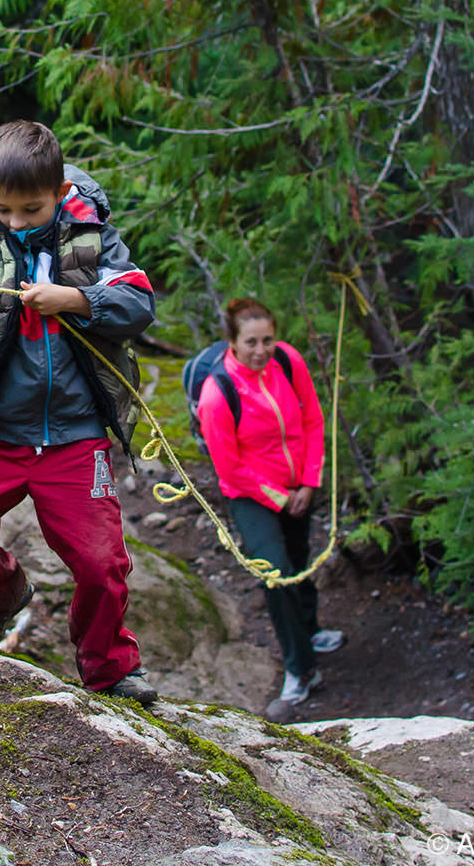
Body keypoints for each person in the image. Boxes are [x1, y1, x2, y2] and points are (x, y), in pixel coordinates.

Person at [0, 119, 160, 705]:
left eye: (32, 209)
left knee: (100, 562)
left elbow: (138, 302)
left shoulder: (95, 238)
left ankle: (110, 667)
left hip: (73, 436)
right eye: (5, 209)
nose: (17, 220)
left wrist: (77, 299)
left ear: (59, 192)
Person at [195, 298, 344, 708]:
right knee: (276, 573)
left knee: (298, 558)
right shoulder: (217, 394)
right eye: (251, 343)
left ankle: (309, 628)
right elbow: (229, 468)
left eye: (268, 340)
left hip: (299, 483)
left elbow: (313, 419)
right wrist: (281, 497)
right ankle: (300, 668)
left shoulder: (289, 362)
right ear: (232, 342)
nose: (261, 350)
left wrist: (309, 483)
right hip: (251, 494)